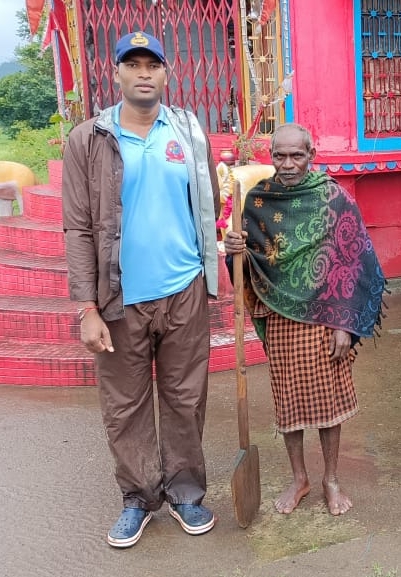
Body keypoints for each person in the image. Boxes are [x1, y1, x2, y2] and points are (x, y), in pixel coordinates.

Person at [61, 31, 220, 547]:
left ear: (167, 74)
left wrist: (217, 253)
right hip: (117, 299)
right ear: (117, 74)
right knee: (125, 405)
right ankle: (139, 498)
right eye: (134, 64)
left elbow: (206, 204)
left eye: (153, 63)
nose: (144, 72)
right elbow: (78, 227)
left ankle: (186, 493)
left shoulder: (189, 131)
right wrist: (86, 306)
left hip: (184, 289)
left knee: (185, 397)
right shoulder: (89, 139)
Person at [223, 123, 385, 516]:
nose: (289, 163)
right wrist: (233, 250)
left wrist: (346, 324)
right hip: (278, 316)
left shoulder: (333, 198)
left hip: (326, 319)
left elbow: (354, 261)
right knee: (288, 402)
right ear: (271, 155)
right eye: (280, 155)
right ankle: (300, 478)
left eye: (297, 155)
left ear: (311, 154)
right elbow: (249, 262)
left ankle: (330, 478)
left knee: (328, 403)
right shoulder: (259, 201)